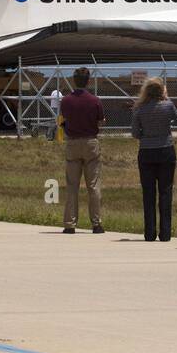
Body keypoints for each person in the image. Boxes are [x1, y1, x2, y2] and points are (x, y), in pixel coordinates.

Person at [60, 67, 105, 234]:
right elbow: (101, 122)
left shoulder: (66, 100)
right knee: (93, 185)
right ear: (88, 81)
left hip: (72, 142)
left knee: (72, 185)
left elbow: (63, 120)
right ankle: (96, 223)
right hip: (90, 142)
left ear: (74, 80)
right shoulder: (95, 101)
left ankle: (70, 224)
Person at [132, 76, 177, 242]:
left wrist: (146, 135)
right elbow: (176, 116)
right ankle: (165, 232)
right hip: (166, 149)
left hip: (146, 151)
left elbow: (135, 133)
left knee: (148, 192)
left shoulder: (139, 108)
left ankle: (149, 232)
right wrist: (167, 96)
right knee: (166, 191)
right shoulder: (167, 105)